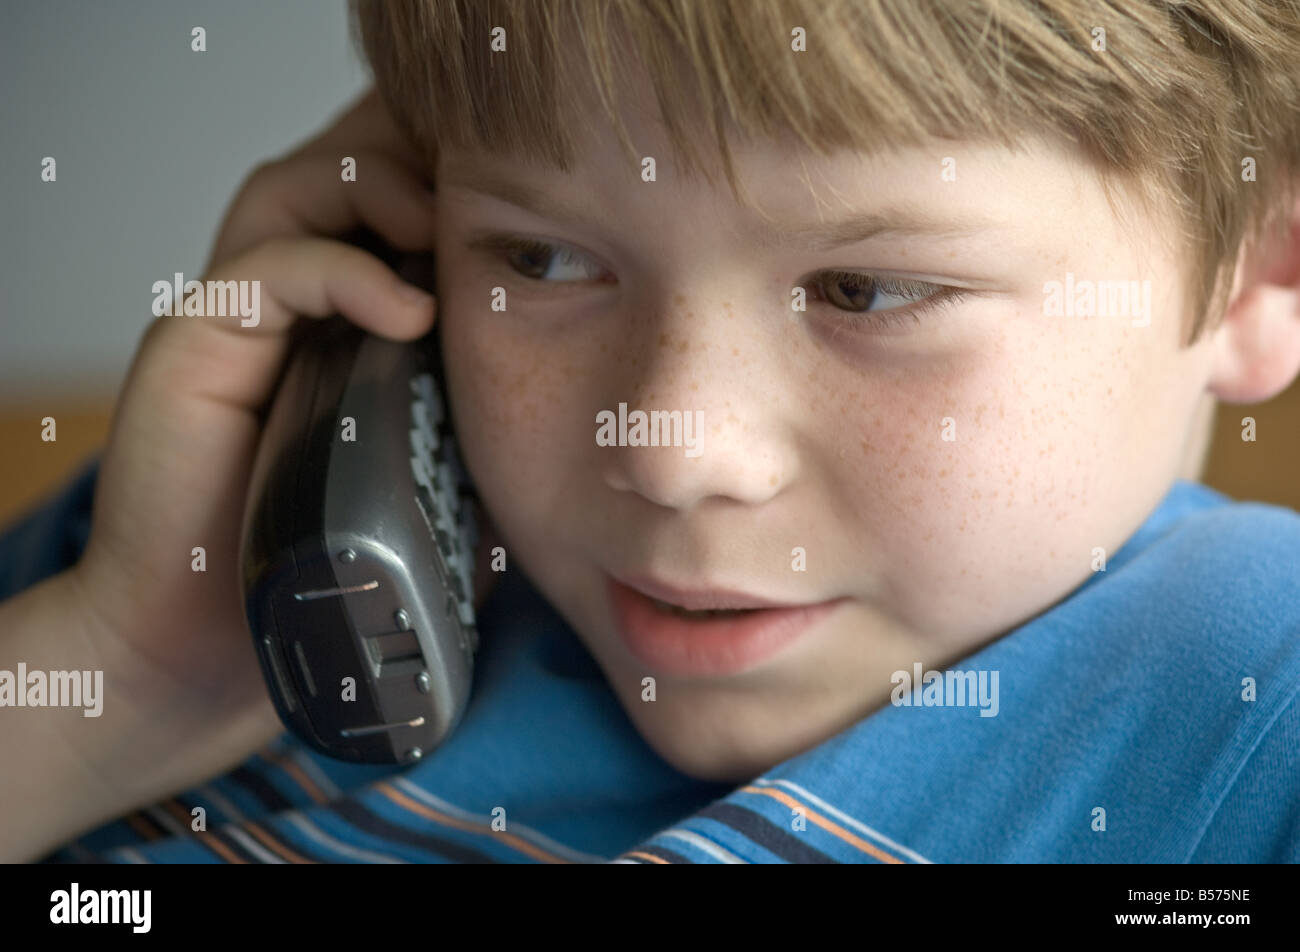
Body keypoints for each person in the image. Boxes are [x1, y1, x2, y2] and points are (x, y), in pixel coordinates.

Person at [3, 0, 1299, 863]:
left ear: (1259, 273)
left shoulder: (1254, 680)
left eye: (870, 289)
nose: (673, 449)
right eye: (546, 256)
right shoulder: (249, 571)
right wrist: (122, 690)